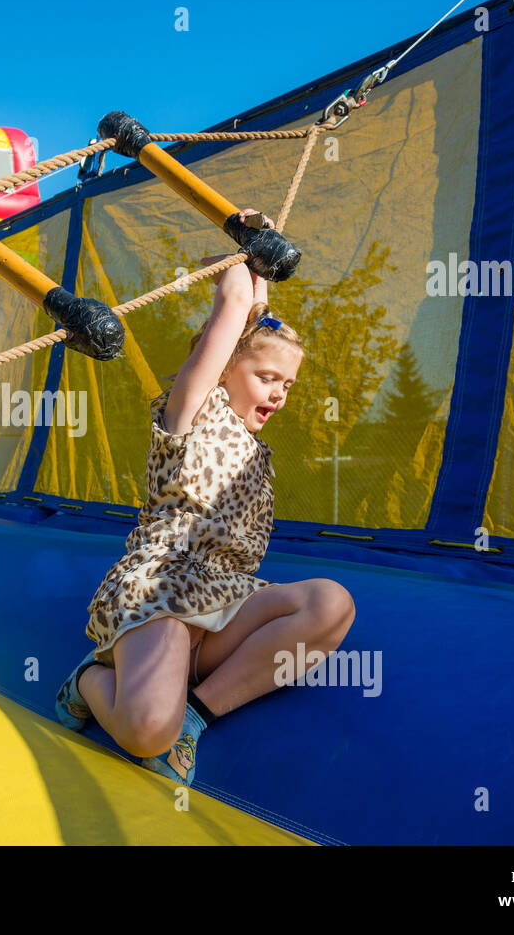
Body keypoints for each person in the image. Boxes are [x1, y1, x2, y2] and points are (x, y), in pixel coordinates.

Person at [55, 209, 356, 785]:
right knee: (146, 733)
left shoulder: (253, 448)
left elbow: (253, 320)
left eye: (288, 385)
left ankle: (198, 711)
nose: (280, 393)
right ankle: (93, 679)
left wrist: (262, 269)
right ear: (223, 370)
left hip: (225, 608)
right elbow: (231, 318)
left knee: (330, 603)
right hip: (165, 595)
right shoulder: (190, 413)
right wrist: (244, 254)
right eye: (268, 377)